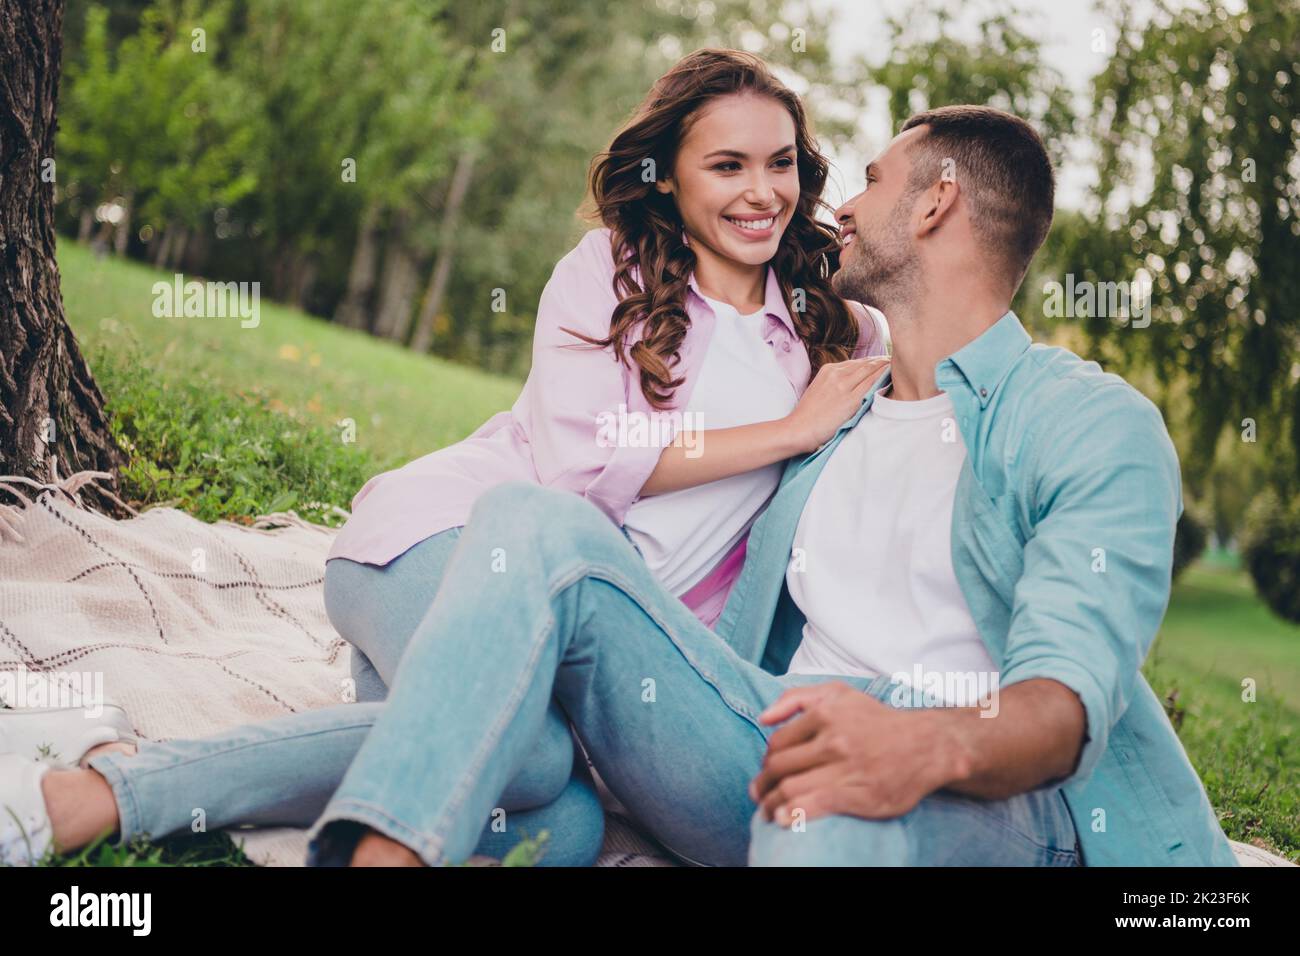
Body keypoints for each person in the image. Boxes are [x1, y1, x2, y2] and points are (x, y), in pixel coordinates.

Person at [0, 48, 888, 867]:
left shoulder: (836, 332)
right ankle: (95, 790)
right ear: (666, 182)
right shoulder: (609, 272)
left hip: (579, 634)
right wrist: (787, 431)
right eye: (726, 166)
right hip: (448, 543)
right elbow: (586, 465)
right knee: (532, 755)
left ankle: (376, 721)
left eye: (780, 163)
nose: (762, 191)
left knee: (562, 829)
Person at [292, 104, 1238, 867]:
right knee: (530, 523)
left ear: (937, 201)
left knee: (825, 794)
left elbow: (1064, 706)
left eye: (871, 180)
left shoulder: (1084, 421)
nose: (840, 209)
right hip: (760, 730)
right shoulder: (843, 405)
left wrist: (910, 746)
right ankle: (390, 854)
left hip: (990, 801)